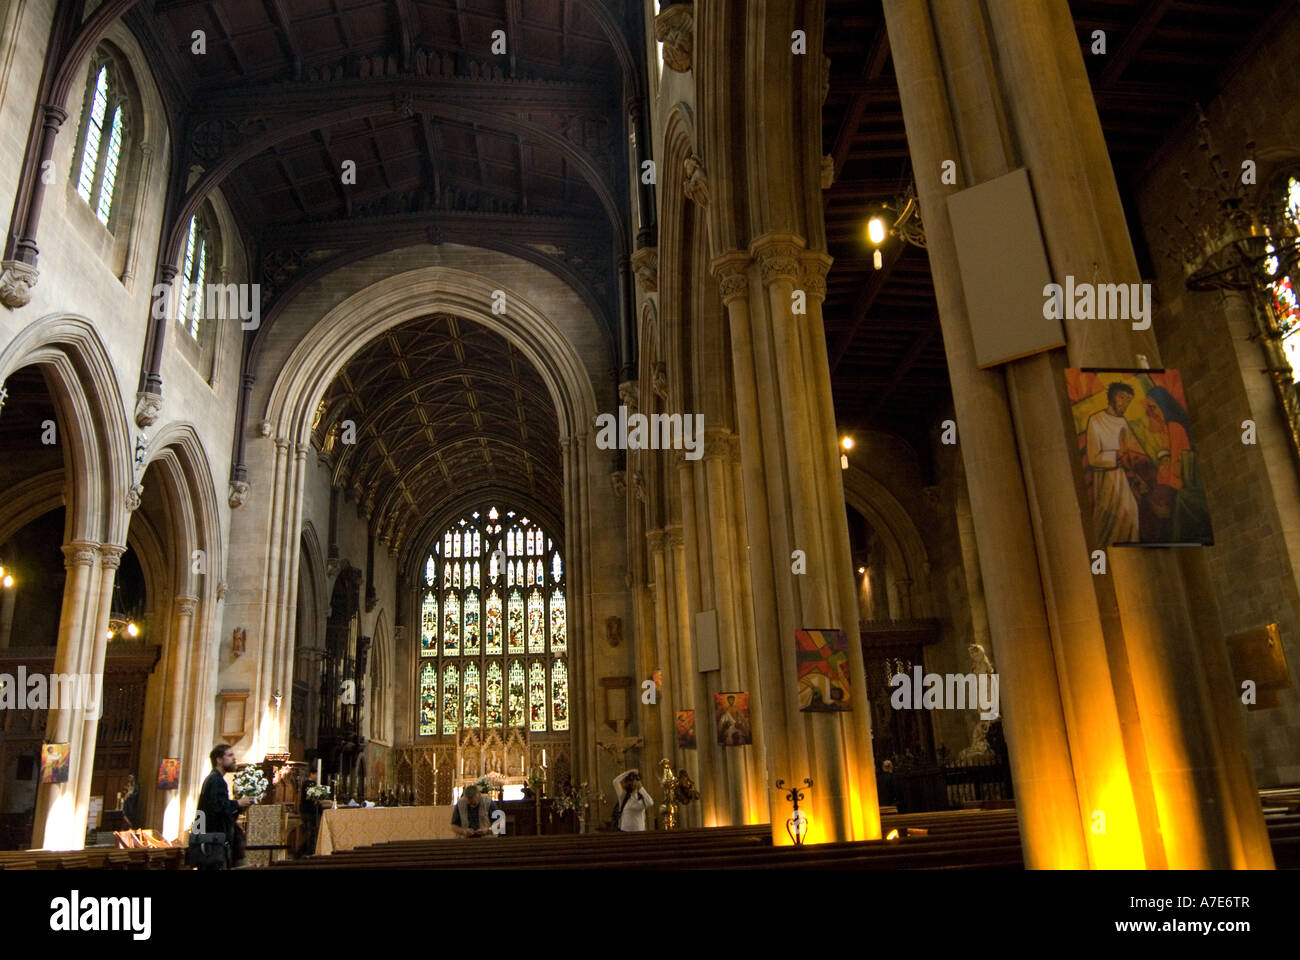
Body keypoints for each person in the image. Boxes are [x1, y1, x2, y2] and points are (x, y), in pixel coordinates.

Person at [1084, 382, 1147, 545]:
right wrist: (1116, 455)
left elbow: (1130, 453)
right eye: (1122, 397)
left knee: (1131, 515)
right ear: (1111, 396)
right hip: (1106, 480)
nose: (1125, 403)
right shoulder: (1096, 420)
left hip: (1124, 479)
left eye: (1128, 400)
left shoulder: (1123, 423)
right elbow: (1093, 457)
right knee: (1106, 520)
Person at [197, 743, 253, 869]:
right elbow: (217, 808)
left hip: (213, 840)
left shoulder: (214, 779)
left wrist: (238, 806)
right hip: (214, 842)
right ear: (219, 760)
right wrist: (238, 803)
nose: (234, 759)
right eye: (230, 755)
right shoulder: (216, 780)